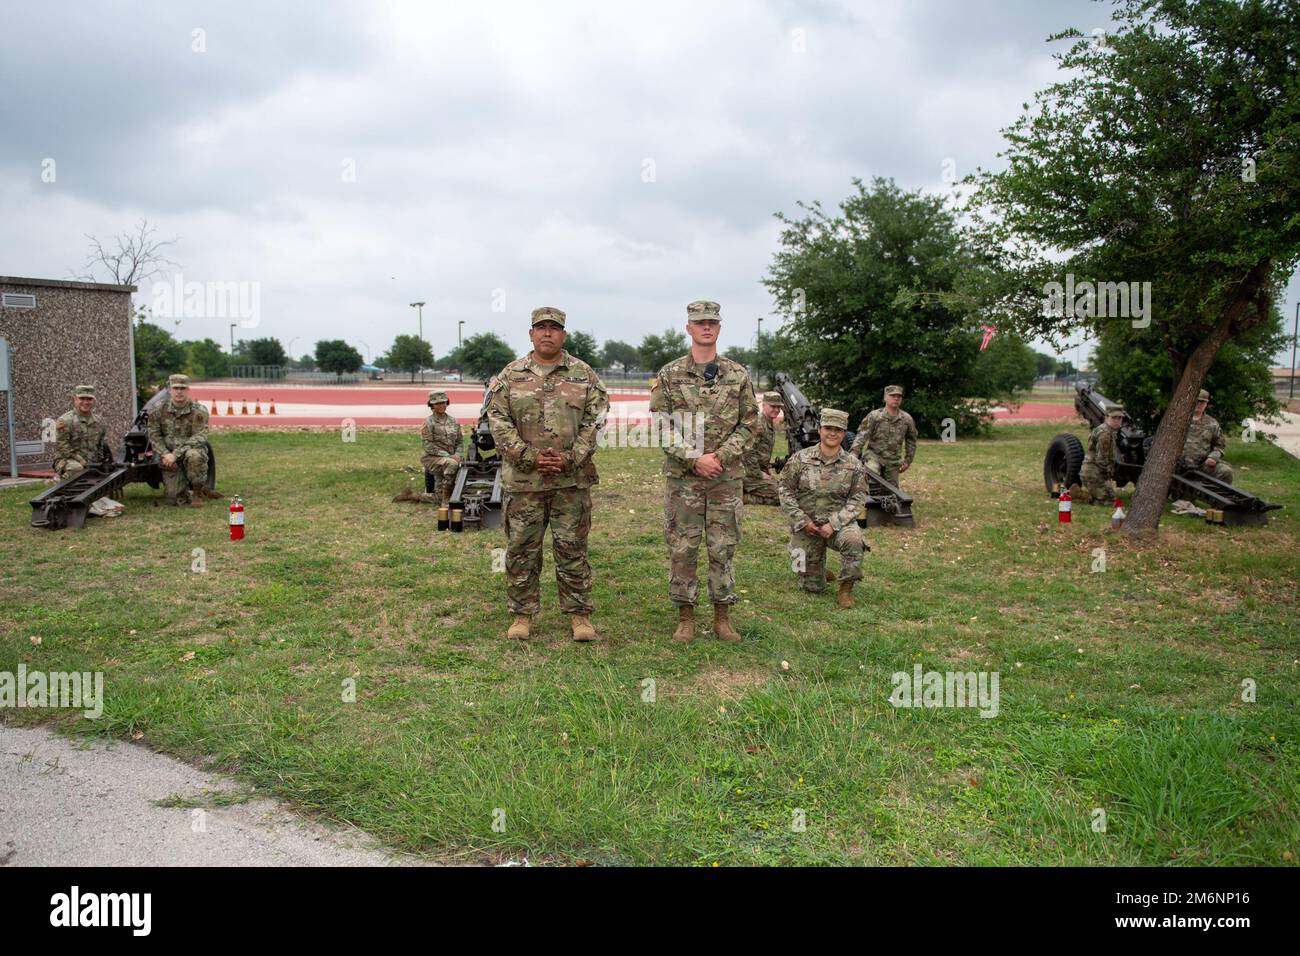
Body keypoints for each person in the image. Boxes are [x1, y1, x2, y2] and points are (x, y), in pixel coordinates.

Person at [486, 307, 609, 642]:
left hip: (571, 482)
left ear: (563, 335)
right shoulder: (510, 376)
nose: (547, 333)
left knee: (572, 548)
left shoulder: (584, 375)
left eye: (554, 328)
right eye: (541, 328)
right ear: (530, 334)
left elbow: (596, 419)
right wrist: (529, 457)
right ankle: (522, 615)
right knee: (522, 549)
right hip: (525, 483)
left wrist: (570, 458)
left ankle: (579, 615)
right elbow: (497, 420)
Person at [649, 300, 759, 644]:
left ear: (719, 328)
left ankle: (722, 616)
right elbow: (661, 424)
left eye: (712, 322)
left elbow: (750, 424)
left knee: (723, 546)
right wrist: (695, 458)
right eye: (699, 322)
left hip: (725, 479)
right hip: (685, 480)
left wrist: (721, 457)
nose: (706, 327)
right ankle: (685, 616)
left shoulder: (737, 375)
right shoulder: (669, 376)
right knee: (683, 547)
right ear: (689, 328)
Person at [778, 408, 869, 608]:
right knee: (809, 586)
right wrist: (802, 521)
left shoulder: (854, 465)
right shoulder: (800, 459)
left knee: (855, 541)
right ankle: (818, 570)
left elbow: (858, 498)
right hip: (807, 526)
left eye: (838, 430)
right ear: (820, 429)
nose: (832, 433)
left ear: (844, 433)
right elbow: (785, 490)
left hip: (838, 525)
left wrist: (834, 523)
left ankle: (845, 588)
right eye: (828, 428)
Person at [146, 374, 215, 506]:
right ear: (170, 390)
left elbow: (200, 436)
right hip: (168, 456)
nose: (179, 392)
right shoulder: (158, 409)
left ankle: (197, 492)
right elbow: (154, 435)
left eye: (182, 388)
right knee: (174, 499)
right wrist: (165, 454)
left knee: (194, 456)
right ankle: (183, 491)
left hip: (190, 451)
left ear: (188, 389)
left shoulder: (199, 410)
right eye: (176, 388)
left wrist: (175, 454)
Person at [849, 385, 917, 486]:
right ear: (885, 397)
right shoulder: (875, 416)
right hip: (874, 456)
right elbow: (862, 435)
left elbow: (911, 440)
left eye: (899, 396)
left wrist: (908, 461)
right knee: (871, 480)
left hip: (893, 460)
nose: (896, 398)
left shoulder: (907, 419)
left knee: (892, 491)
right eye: (892, 395)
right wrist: (854, 452)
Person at [52, 385, 109, 477]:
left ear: (94, 401)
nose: (86, 402)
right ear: (75, 399)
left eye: (89, 399)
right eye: (82, 398)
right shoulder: (65, 421)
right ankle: (62, 481)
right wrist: (79, 459)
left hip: (91, 462)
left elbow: (100, 447)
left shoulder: (99, 422)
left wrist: (101, 464)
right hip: (68, 460)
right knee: (77, 468)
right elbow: (63, 447)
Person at [1179, 389, 1232, 484]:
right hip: (1177, 465)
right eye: (1197, 401)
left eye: (1202, 402)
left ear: (1206, 404)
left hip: (1201, 466)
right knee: (1185, 497)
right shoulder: (1180, 419)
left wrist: (1213, 457)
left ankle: (1216, 498)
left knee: (1225, 471)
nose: (1199, 404)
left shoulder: (1212, 424)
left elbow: (1219, 446)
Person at [420, 390, 463, 507]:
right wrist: (449, 456)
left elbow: (459, 441)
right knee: (452, 464)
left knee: (437, 496)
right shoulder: (428, 422)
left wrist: (458, 454)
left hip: (450, 459)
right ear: (432, 405)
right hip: (433, 458)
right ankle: (446, 500)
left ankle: (415, 496)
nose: (441, 406)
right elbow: (428, 446)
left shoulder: (453, 421)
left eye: (443, 402)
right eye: (438, 403)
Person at [1077, 406, 1125, 504]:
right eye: (1114, 417)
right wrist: (1108, 475)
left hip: (1095, 471)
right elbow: (1102, 459)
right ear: (1106, 417)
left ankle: (1092, 494)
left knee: (1110, 498)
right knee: (1108, 502)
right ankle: (1079, 494)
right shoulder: (1105, 434)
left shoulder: (1108, 430)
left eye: (1119, 418)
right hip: (1093, 473)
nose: (1117, 420)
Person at [742, 391, 782, 506]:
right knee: (784, 496)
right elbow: (747, 452)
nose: (776, 409)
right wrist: (759, 474)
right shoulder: (759, 424)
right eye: (773, 406)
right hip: (749, 474)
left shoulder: (768, 422)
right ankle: (745, 497)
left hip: (756, 472)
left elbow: (761, 452)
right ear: (764, 405)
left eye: (778, 407)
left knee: (786, 490)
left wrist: (766, 471)